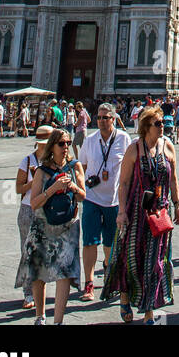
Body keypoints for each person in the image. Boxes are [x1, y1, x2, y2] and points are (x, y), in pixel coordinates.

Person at [103, 104, 179, 323]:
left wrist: (178, 204)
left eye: (164, 122)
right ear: (146, 126)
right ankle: (125, 296)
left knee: (155, 261)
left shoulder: (168, 146)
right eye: (158, 123)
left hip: (160, 212)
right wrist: (121, 212)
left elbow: (173, 178)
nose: (163, 126)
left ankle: (149, 311)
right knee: (131, 258)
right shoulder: (134, 149)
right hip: (136, 212)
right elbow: (124, 183)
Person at [16, 128, 85, 324]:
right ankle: (40, 315)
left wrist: (72, 187)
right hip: (42, 226)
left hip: (67, 226)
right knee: (39, 272)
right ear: (52, 146)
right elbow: (34, 202)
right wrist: (53, 189)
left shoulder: (75, 166)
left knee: (64, 272)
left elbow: (83, 196)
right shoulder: (41, 171)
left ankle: (58, 320)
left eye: (68, 143)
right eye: (61, 144)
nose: (65, 147)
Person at [77, 103, 132, 301]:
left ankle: (109, 272)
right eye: (99, 117)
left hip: (115, 201)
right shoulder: (90, 140)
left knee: (110, 243)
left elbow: (131, 167)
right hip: (91, 199)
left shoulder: (124, 140)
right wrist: (80, 189)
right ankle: (89, 283)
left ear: (114, 119)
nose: (101, 121)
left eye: (105, 117)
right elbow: (80, 166)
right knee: (89, 241)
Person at [15, 124, 52, 310]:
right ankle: (28, 292)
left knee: (45, 254)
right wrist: (34, 181)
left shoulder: (55, 162)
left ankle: (39, 290)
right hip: (28, 209)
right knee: (27, 252)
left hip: (48, 212)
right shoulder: (27, 161)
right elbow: (18, 189)